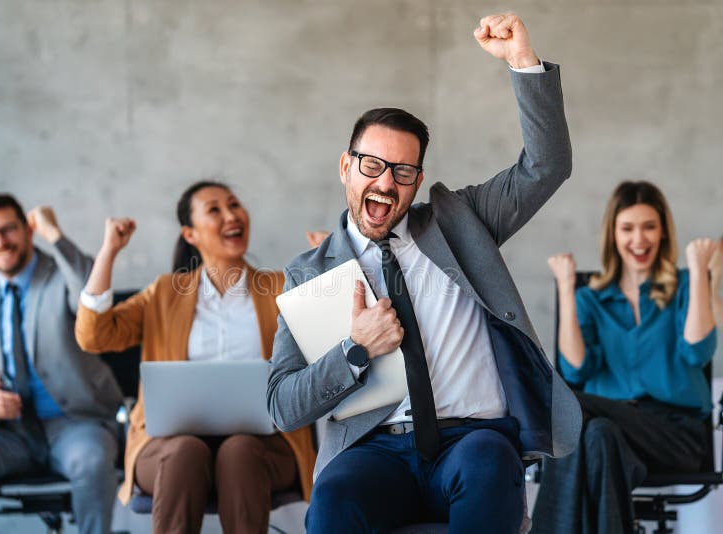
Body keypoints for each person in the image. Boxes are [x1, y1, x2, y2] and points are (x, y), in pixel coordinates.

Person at [267, 13, 581, 533]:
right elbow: (283, 405)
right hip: (375, 451)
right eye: (372, 165)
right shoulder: (310, 273)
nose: (386, 184)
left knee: (489, 462)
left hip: (471, 441)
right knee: (334, 504)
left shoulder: (461, 222)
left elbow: (548, 165)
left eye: (403, 171)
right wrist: (355, 348)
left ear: (418, 180)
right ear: (346, 166)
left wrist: (522, 63)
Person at [74, 181, 316, 534]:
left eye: (234, 204)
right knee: (185, 451)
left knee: (240, 451)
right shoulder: (163, 294)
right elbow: (93, 335)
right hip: (166, 448)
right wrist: (109, 251)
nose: (231, 215)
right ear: (190, 234)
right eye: (215, 210)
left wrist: (337, 263)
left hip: (265, 443)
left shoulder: (280, 287)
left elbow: (336, 336)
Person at [532, 181, 718, 534]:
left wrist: (699, 272)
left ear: (663, 232)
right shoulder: (591, 299)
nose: (639, 239)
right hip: (613, 432)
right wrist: (567, 289)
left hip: (675, 436)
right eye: (628, 228)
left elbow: (698, 351)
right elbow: (575, 368)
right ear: (612, 234)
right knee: (599, 434)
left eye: (649, 226)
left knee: (566, 404)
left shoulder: (683, 287)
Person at [0, 194, 122, 534]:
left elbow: (92, 294)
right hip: (12, 437)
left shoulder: (60, 276)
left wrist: (56, 236)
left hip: (76, 426)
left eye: (8, 230)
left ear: (27, 230)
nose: (0, 242)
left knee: (91, 459)